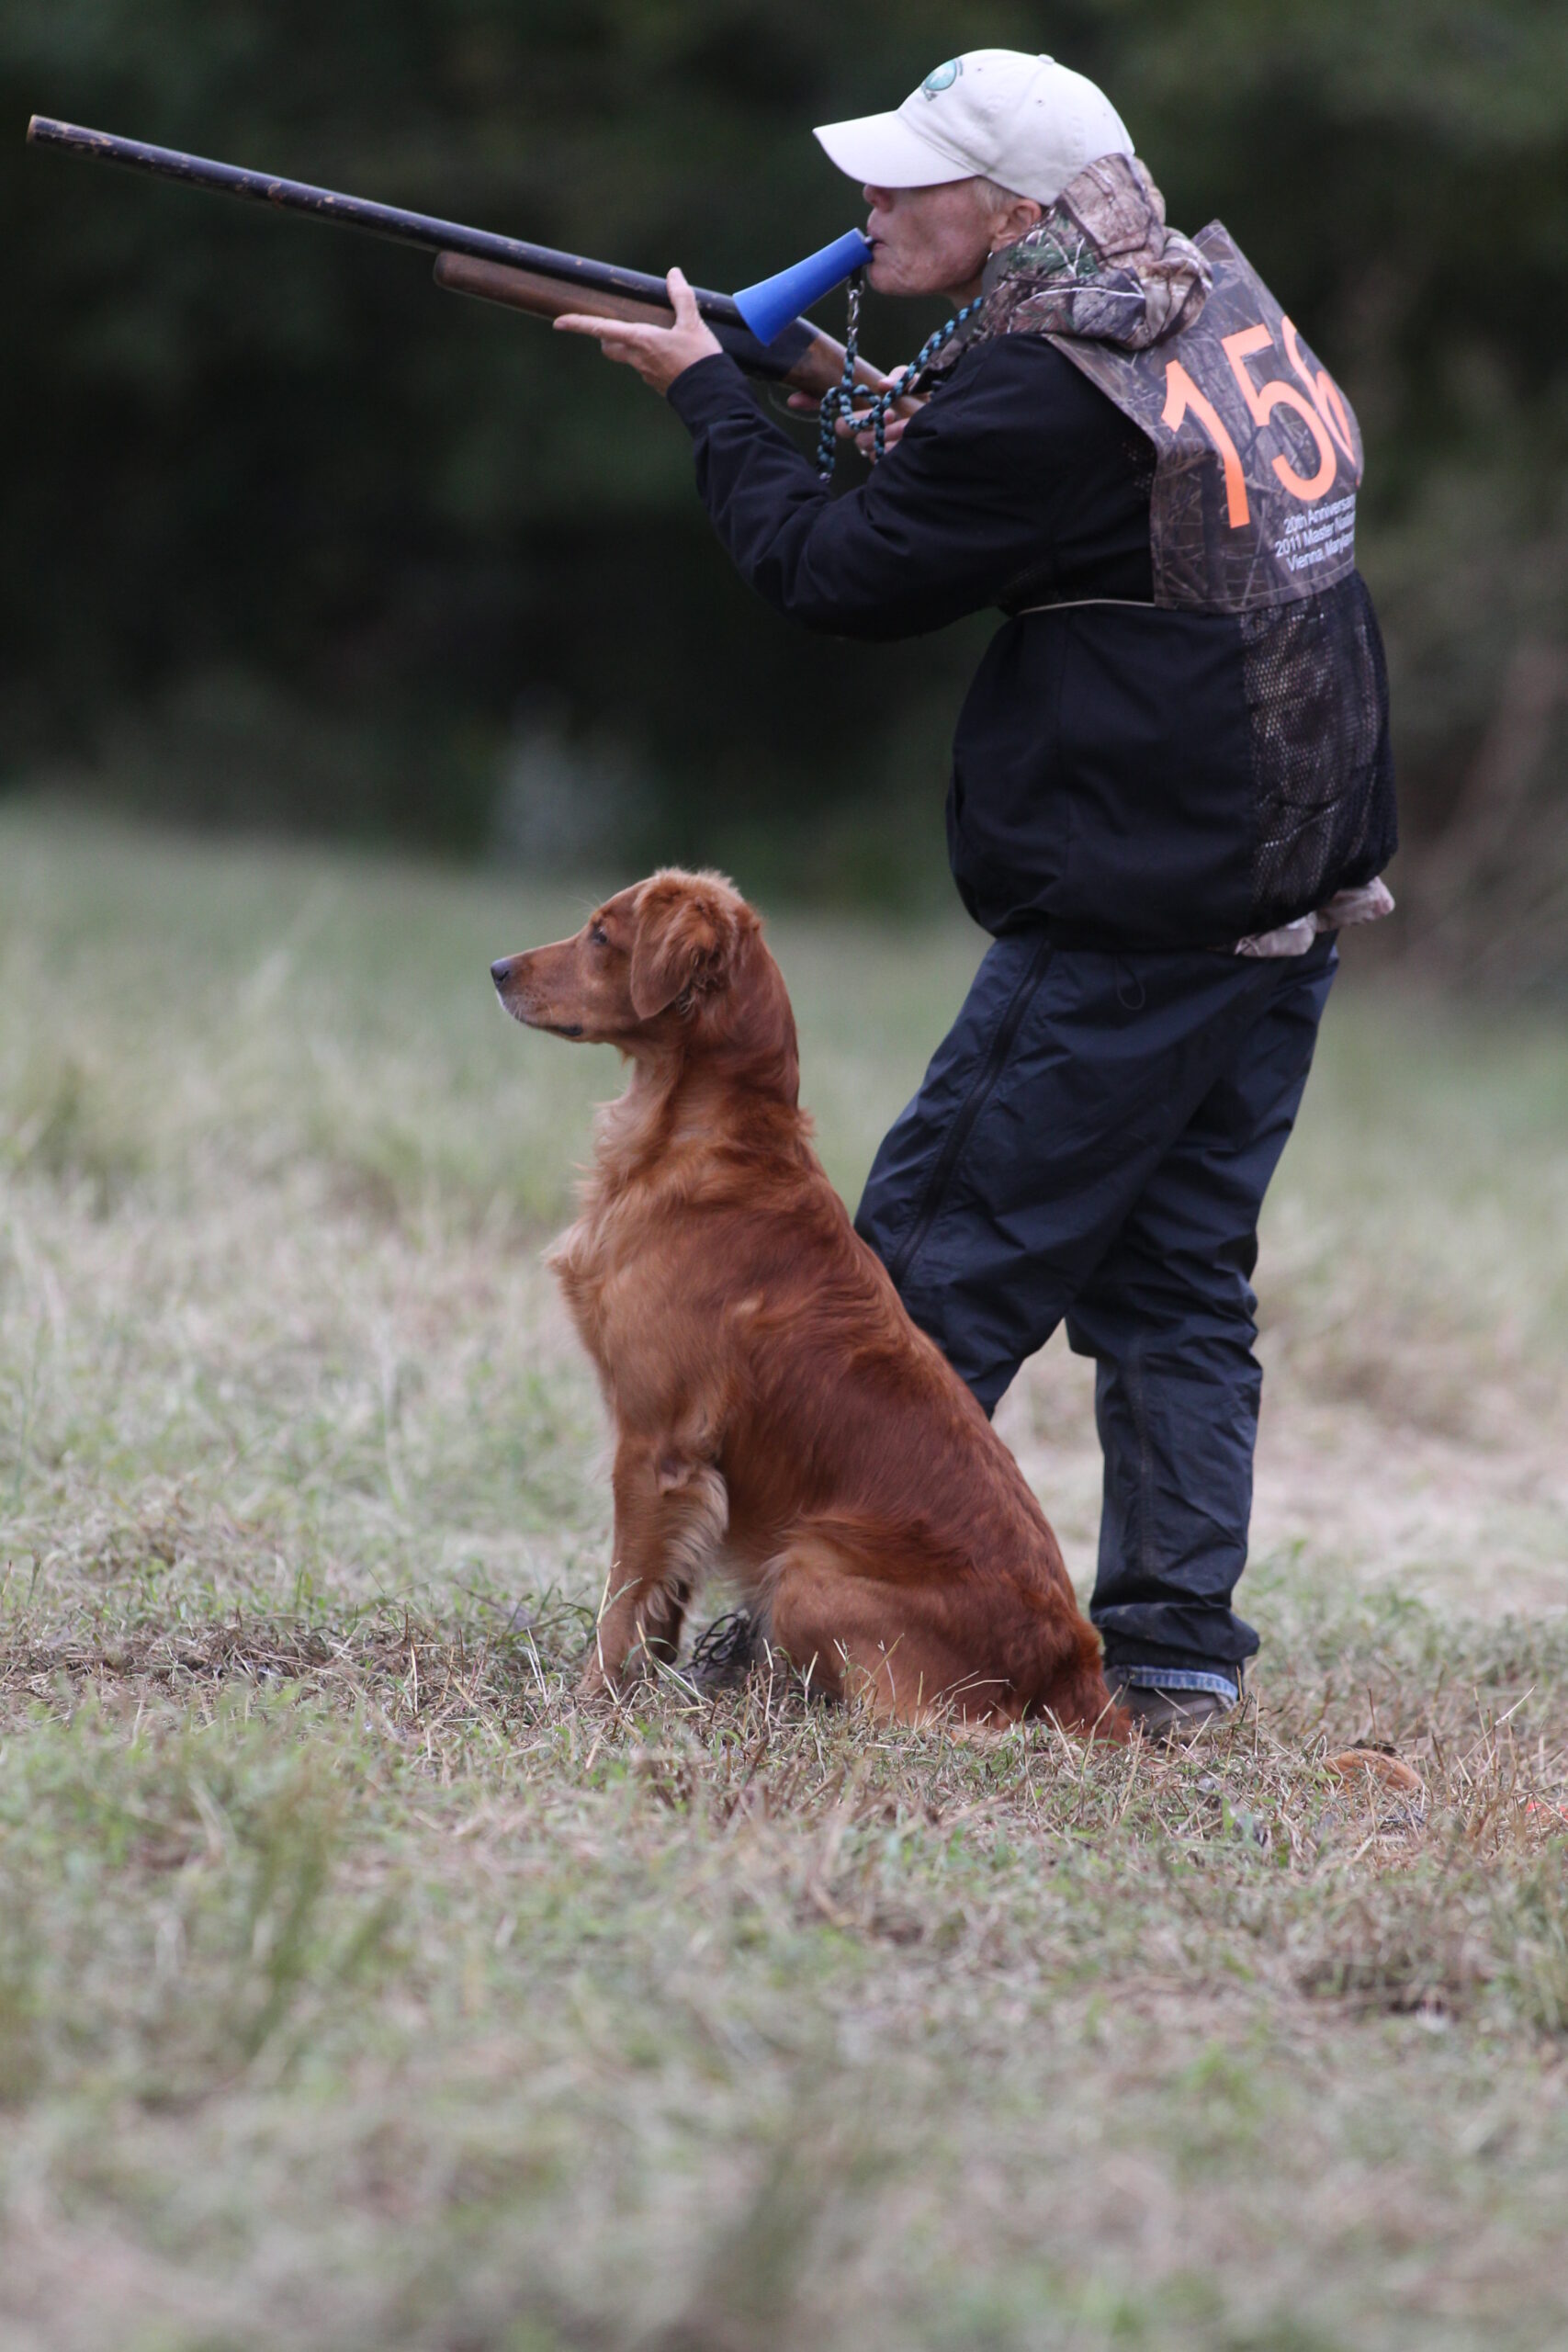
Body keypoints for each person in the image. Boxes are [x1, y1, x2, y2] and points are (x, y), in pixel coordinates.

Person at [554, 49, 1396, 1737]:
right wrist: (806, 387)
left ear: (1015, 212)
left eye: (904, 187)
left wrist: (710, 399)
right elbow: (1033, 481)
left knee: (922, 1273)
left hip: (1135, 919)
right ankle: (1171, 1664)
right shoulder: (1207, 301)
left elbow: (835, 573)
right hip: (1285, 900)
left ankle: (813, 1639)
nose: (865, 214)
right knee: (1178, 1288)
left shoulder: (1041, 393)